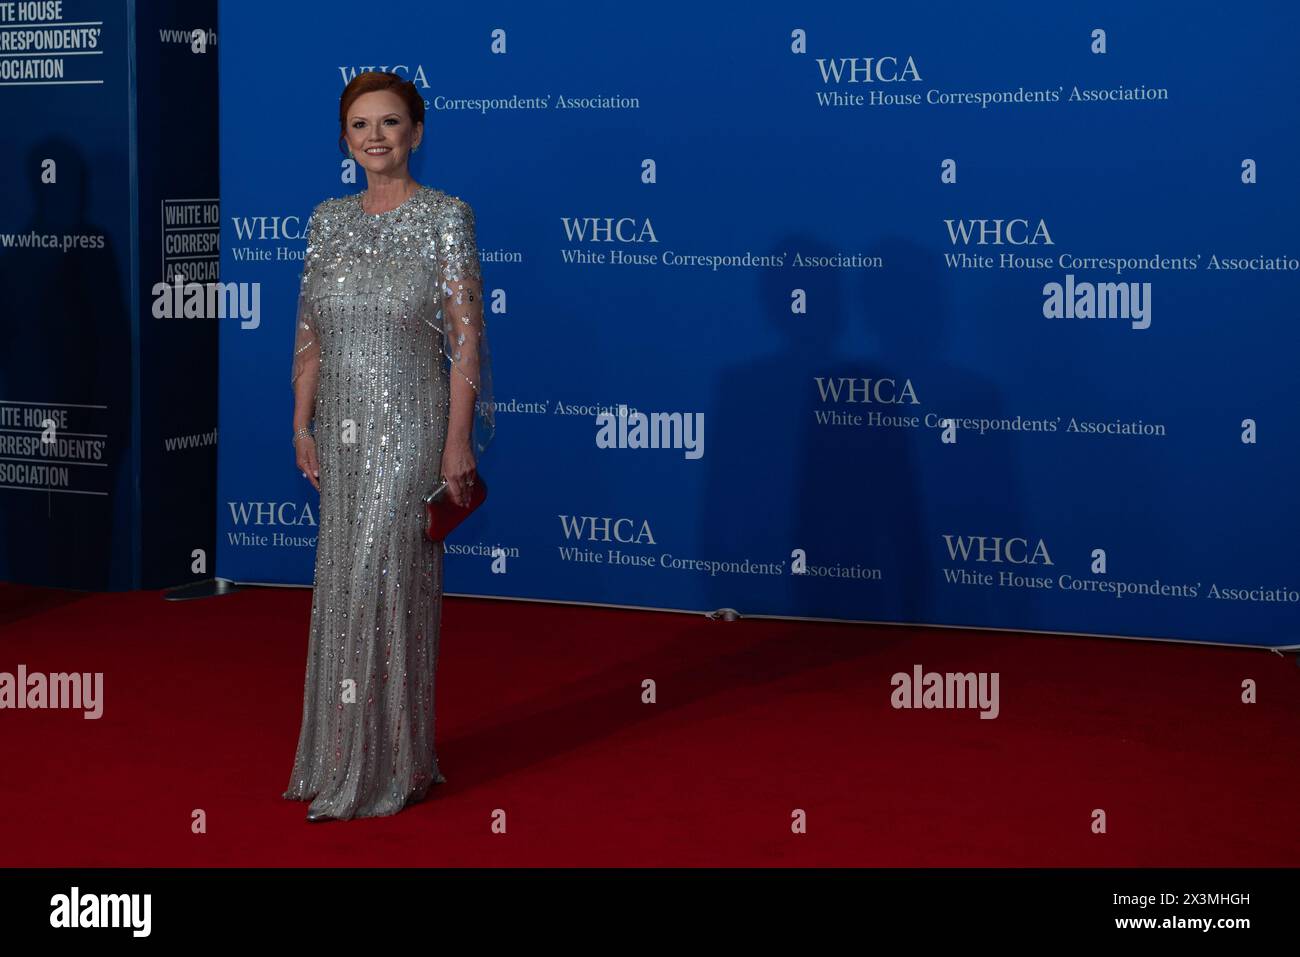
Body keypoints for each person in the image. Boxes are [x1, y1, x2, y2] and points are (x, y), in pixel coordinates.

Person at [282, 71, 495, 821]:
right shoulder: (325, 220)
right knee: (344, 587)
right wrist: (302, 423)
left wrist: (455, 443)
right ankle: (353, 757)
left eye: (391, 123)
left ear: (417, 132)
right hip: (338, 428)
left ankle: (388, 767)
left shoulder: (446, 218)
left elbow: (467, 343)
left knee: (384, 577)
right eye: (361, 125)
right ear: (345, 140)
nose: (376, 137)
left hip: (413, 424)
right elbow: (310, 334)